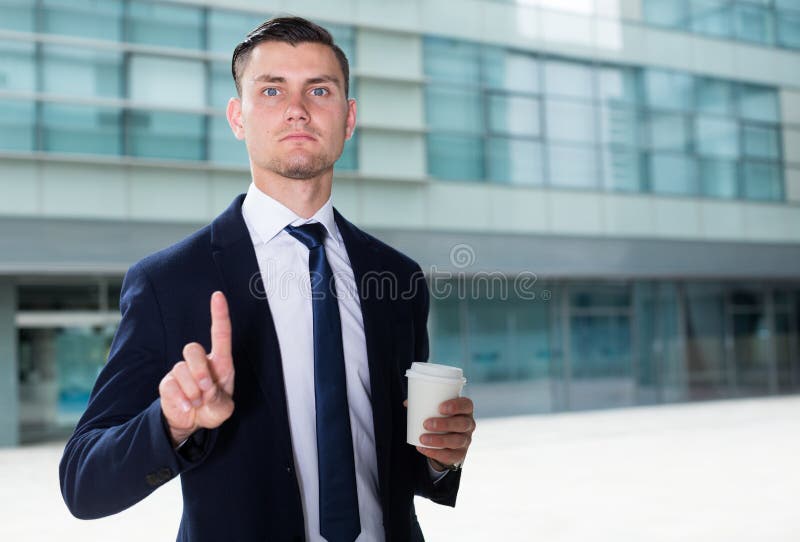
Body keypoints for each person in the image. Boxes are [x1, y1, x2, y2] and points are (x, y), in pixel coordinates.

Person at [59, 16, 475, 542]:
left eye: (318, 90)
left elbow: (396, 461)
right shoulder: (169, 282)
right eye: (272, 89)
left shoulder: (397, 277)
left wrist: (440, 456)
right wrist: (172, 424)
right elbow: (83, 481)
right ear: (238, 117)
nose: (297, 109)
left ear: (348, 119)